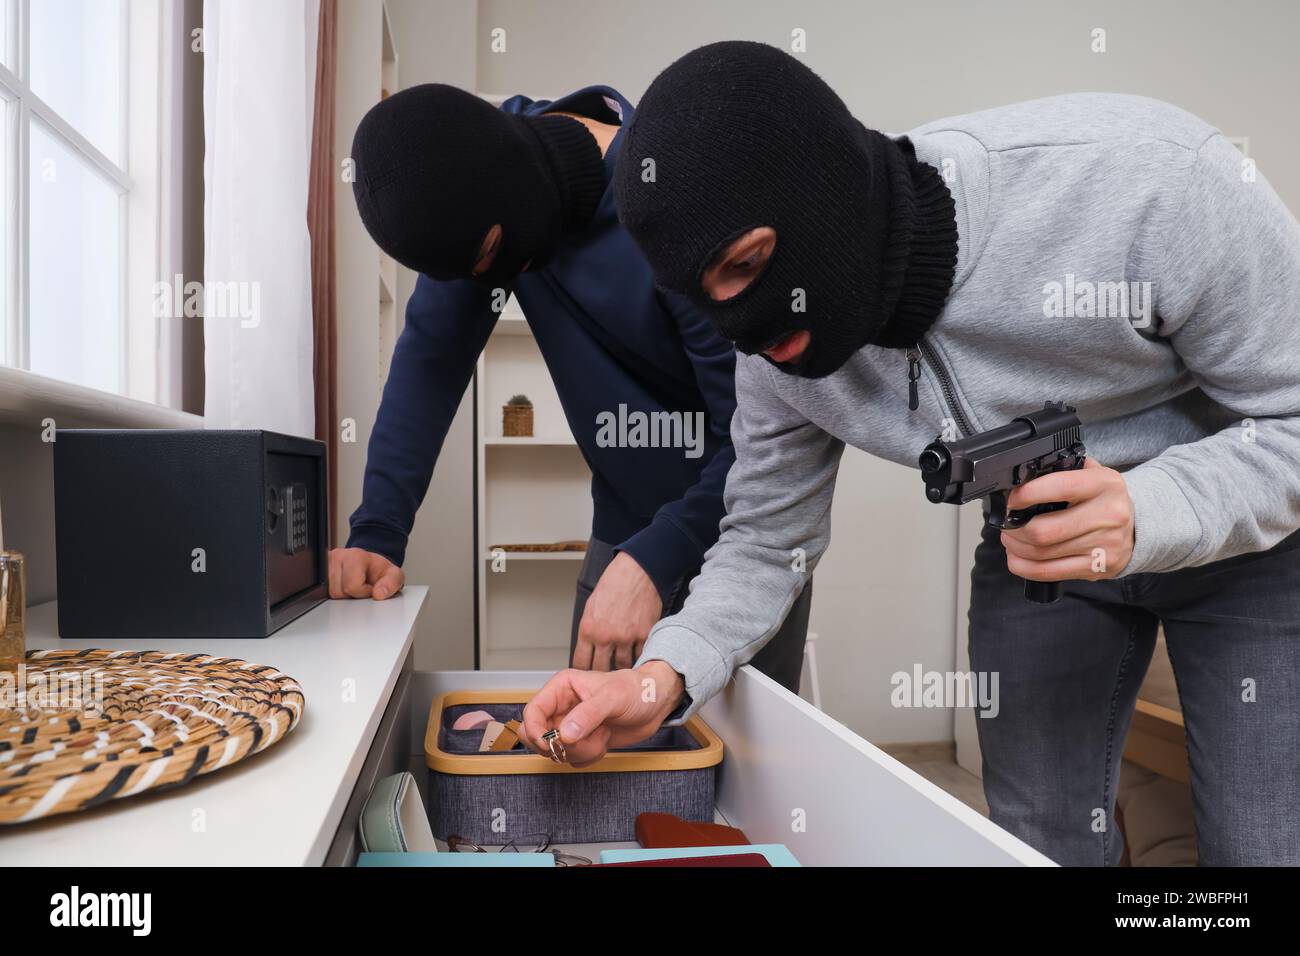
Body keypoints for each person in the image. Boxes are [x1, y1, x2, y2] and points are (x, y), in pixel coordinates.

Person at [520, 41, 1300, 866]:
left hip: (1251, 542)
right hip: (1037, 551)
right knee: (1036, 848)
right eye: (698, 294)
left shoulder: (1156, 182)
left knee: (1262, 850)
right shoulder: (766, 354)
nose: (741, 328)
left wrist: (1149, 509)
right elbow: (762, 542)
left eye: (746, 266)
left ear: (822, 193)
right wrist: (658, 678)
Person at [331, 82, 810, 688]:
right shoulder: (470, 183)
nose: (493, 283)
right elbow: (429, 365)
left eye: (492, 258)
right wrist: (377, 530)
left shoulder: (679, 205)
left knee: (747, 776)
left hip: (743, 543)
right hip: (621, 532)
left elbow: (763, 446)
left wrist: (657, 558)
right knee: (586, 758)